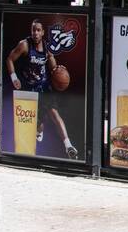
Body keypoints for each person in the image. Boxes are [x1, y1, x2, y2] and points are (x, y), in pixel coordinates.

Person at [5, 18, 77, 159]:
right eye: (33, 30)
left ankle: (68, 145)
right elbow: (9, 59)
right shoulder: (24, 45)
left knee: (55, 114)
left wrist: (59, 70)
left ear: (43, 32)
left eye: (38, 30)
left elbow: (54, 68)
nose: (35, 33)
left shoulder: (47, 48)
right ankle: (39, 129)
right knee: (37, 124)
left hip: (43, 87)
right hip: (28, 88)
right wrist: (14, 77)